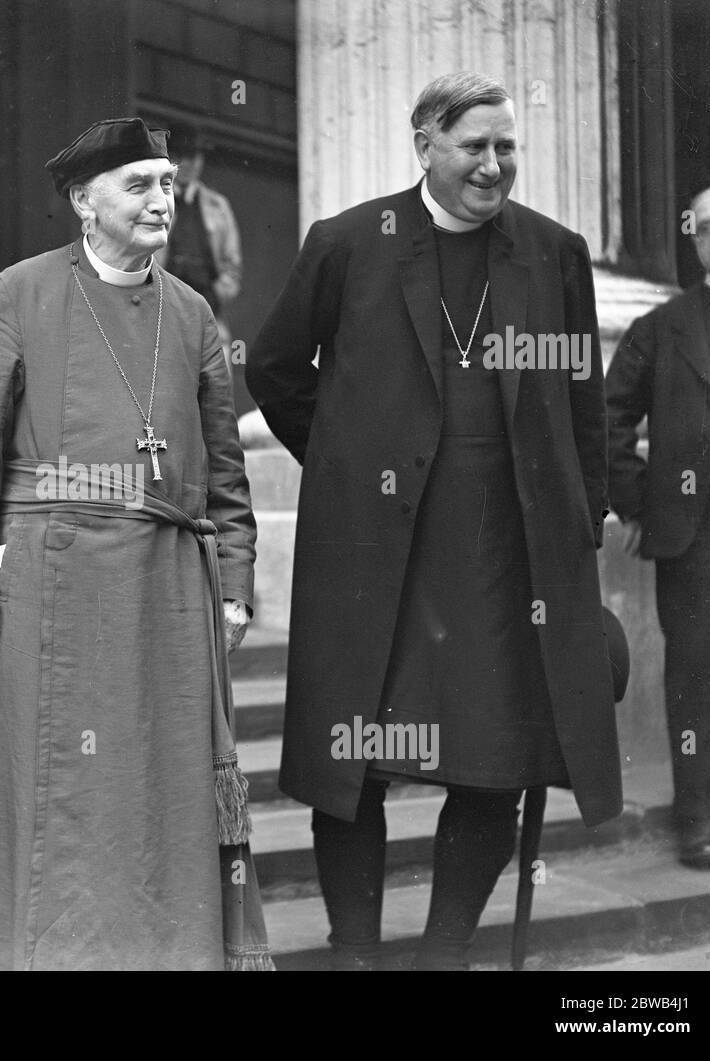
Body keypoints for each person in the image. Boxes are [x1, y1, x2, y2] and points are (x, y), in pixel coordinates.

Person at [247, 72, 622, 970]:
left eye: (507, 147)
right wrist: (344, 473)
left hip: (505, 556)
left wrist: (586, 514)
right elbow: (275, 370)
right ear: (425, 143)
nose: (494, 167)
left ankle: (446, 949)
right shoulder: (349, 244)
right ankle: (355, 951)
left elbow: (582, 401)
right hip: (378, 556)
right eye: (474, 147)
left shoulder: (552, 252)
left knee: (497, 755)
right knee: (354, 765)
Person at [0, 117, 263, 970]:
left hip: (167, 589)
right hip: (52, 585)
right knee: (57, 804)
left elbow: (224, 471)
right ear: (85, 202)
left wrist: (233, 582)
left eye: (166, 184)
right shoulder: (21, 292)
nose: (162, 199)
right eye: (139, 184)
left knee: (159, 798)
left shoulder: (190, 313)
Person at [606, 183, 710, 869]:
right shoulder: (664, 327)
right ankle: (702, 817)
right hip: (700, 537)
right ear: (692, 238)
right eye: (709, 227)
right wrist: (635, 502)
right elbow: (610, 415)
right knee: (696, 678)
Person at [153, 119, 242, 344]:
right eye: (181, 156)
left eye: (195, 156)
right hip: (160, 312)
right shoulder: (153, 200)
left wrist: (214, 297)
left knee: (216, 374)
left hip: (207, 312)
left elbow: (232, 267)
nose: (189, 164)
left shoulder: (217, 206)